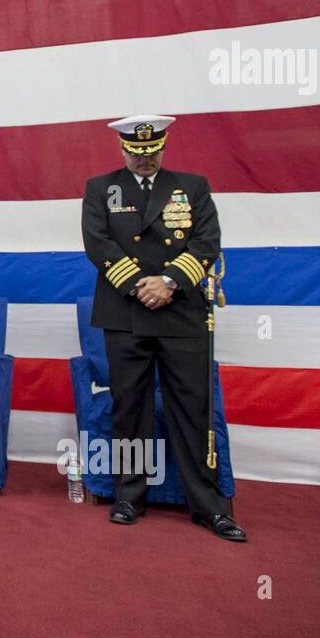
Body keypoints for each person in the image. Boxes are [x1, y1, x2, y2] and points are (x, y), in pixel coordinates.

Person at [80, 114, 247, 542]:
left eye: (152, 151)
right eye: (137, 153)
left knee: (193, 409)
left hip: (181, 312)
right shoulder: (101, 189)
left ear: (163, 147)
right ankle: (129, 497)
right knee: (130, 408)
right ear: (123, 149)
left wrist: (169, 281)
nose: (145, 159)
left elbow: (207, 241)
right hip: (125, 313)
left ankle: (207, 505)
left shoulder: (192, 188)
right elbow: (98, 243)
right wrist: (141, 285)